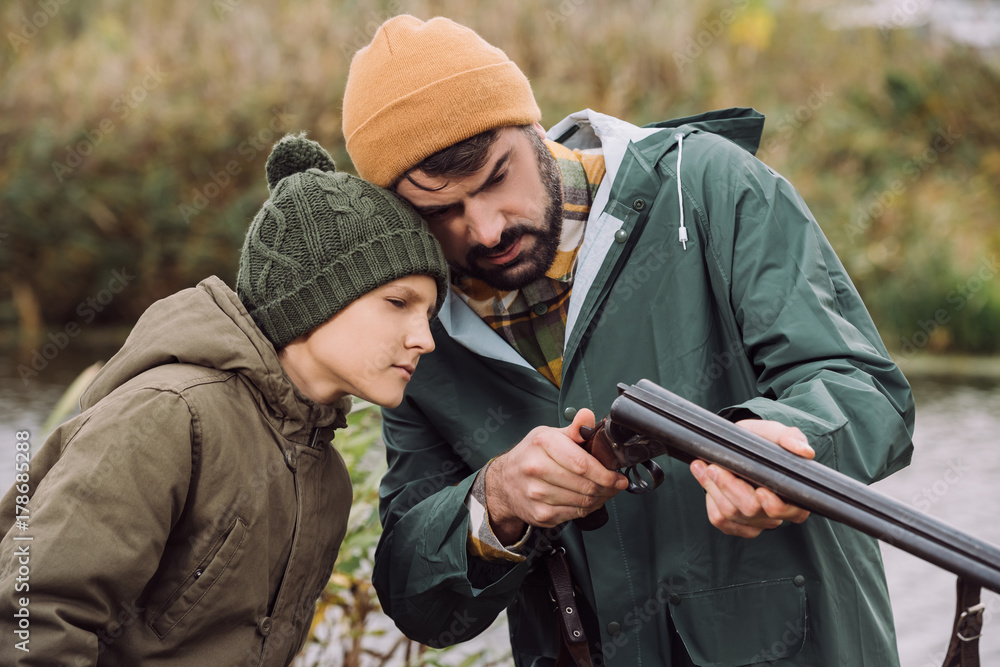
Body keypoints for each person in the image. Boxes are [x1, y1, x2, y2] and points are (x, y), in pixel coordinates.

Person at [341, 14, 916, 667]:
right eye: (440, 212)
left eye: (497, 177)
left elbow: (868, 393)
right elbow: (415, 597)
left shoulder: (708, 187)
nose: (486, 229)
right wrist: (495, 501)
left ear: (532, 128)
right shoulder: (414, 330)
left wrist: (784, 442)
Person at [0, 134, 449, 665]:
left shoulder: (327, 477)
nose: (425, 339)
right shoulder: (169, 415)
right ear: (315, 294)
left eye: (429, 314)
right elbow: (31, 617)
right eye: (398, 302)